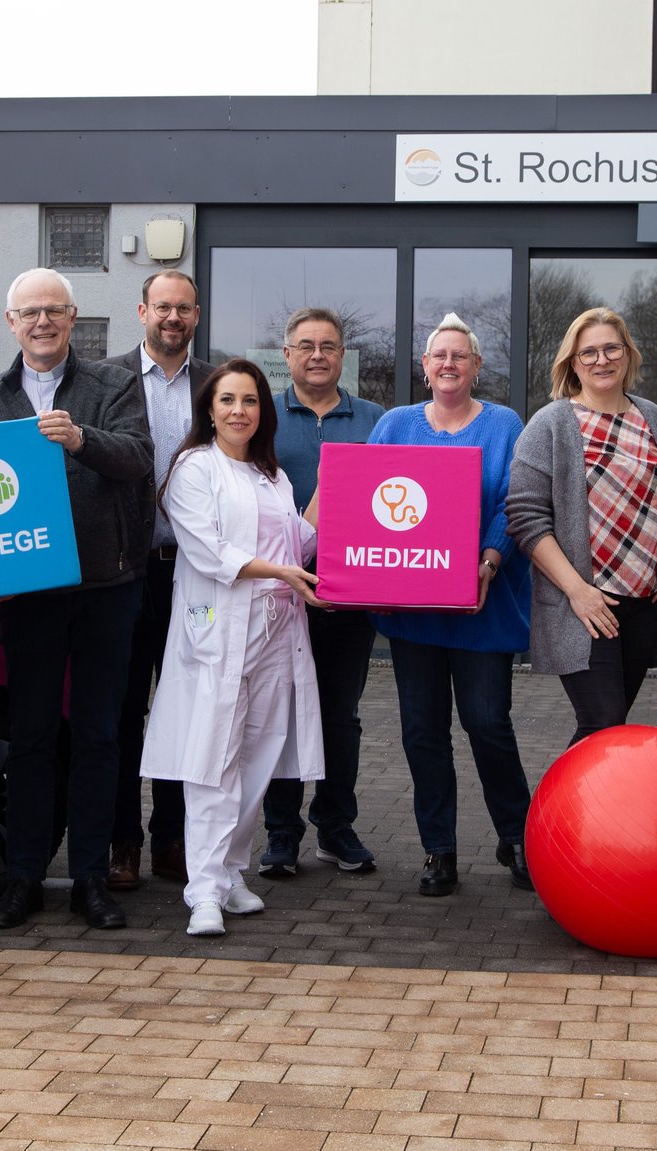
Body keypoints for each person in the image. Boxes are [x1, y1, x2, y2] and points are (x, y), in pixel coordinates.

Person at [0, 268, 153, 932]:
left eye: (54, 310)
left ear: (73, 318)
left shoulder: (113, 384)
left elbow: (138, 457)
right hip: (31, 595)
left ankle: (91, 877)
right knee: (32, 737)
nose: (41, 322)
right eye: (29, 313)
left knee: (101, 735)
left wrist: (81, 438)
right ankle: (23, 878)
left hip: (108, 588)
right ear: (10, 323)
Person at [141, 361, 326, 937]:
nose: (239, 410)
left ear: (262, 412)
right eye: (227, 400)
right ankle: (202, 891)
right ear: (210, 409)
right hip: (219, 633)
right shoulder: (194, 468)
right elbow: (208, 550)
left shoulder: (272, 476)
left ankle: (230, 873)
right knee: (214, 758)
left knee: (260, 756)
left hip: (275, 632)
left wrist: (334, 494)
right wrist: (284, 572)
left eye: (249, 400)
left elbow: (301, 541)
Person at [369, 313, 532, 898]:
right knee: (423, 732)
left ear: (477, 366)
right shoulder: (395, 424)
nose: (448, 364)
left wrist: (489, 560)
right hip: (413, 612)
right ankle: (439, 848)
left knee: (488, 723)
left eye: (459, 356)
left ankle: (518, 835)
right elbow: (369, 498)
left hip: (480, 606)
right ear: (424, 365)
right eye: (439, 355)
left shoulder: (505, 425)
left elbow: (516, 501)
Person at [508, 307, 657, 745]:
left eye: (611, 348)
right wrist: (577, 591)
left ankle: (589, 814)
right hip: (584, 605)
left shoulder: (651, 416)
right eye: (588, 353)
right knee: (602, 722)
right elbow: (525, 519)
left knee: (611, 726)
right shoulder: (550, 423)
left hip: (644, 602)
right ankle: (555, 813)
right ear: (571, 362)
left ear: (628, 355)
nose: (601, 360)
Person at [259, 307, 386, 878]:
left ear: (343, 356)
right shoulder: (260, 418)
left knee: (341, 714)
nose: (317, 355)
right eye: (305, 345)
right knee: (278, 712)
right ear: (286, 355)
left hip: (349, 593)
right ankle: (280, 833)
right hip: (279, 594)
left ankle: (335, 826)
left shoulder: (377, 420)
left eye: (328, 346)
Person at [105, 270, 213, 892]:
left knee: (188, 707)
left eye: (184, 309)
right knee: (122, 711)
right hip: (126, 570)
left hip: (195, 575)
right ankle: (125, 841)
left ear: (196, 316)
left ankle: (174, 836)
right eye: (162, 307)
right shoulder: (104, 380)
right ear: (142, 311)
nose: (173, 318)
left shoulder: (216, 385)